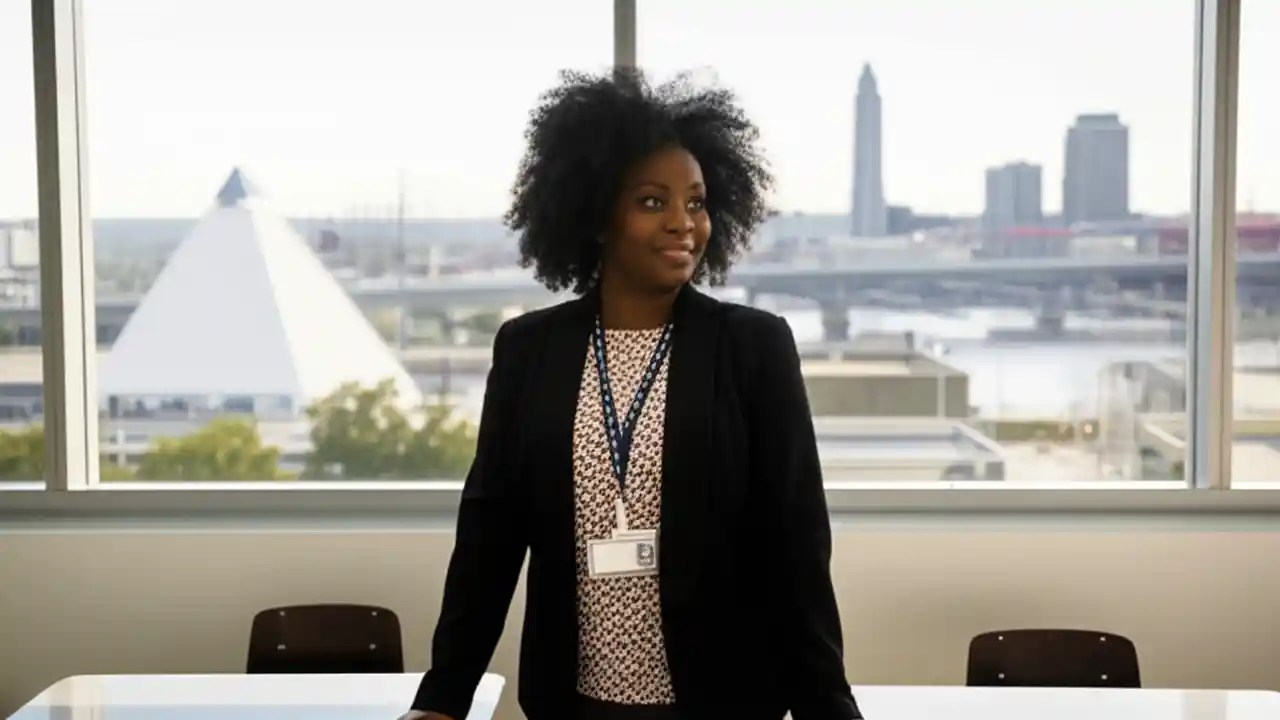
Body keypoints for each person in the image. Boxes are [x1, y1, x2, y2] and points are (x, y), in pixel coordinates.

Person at [401, 68, 862, 720]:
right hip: (571, 704)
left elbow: (796, 548)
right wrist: (444, 697)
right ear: (595, 215)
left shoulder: (753, 347)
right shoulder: (529, 350)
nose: (684, 223)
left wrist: (828, 708)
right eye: (653, 201)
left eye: (697, 202)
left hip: (725, 704)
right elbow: (489, 540)